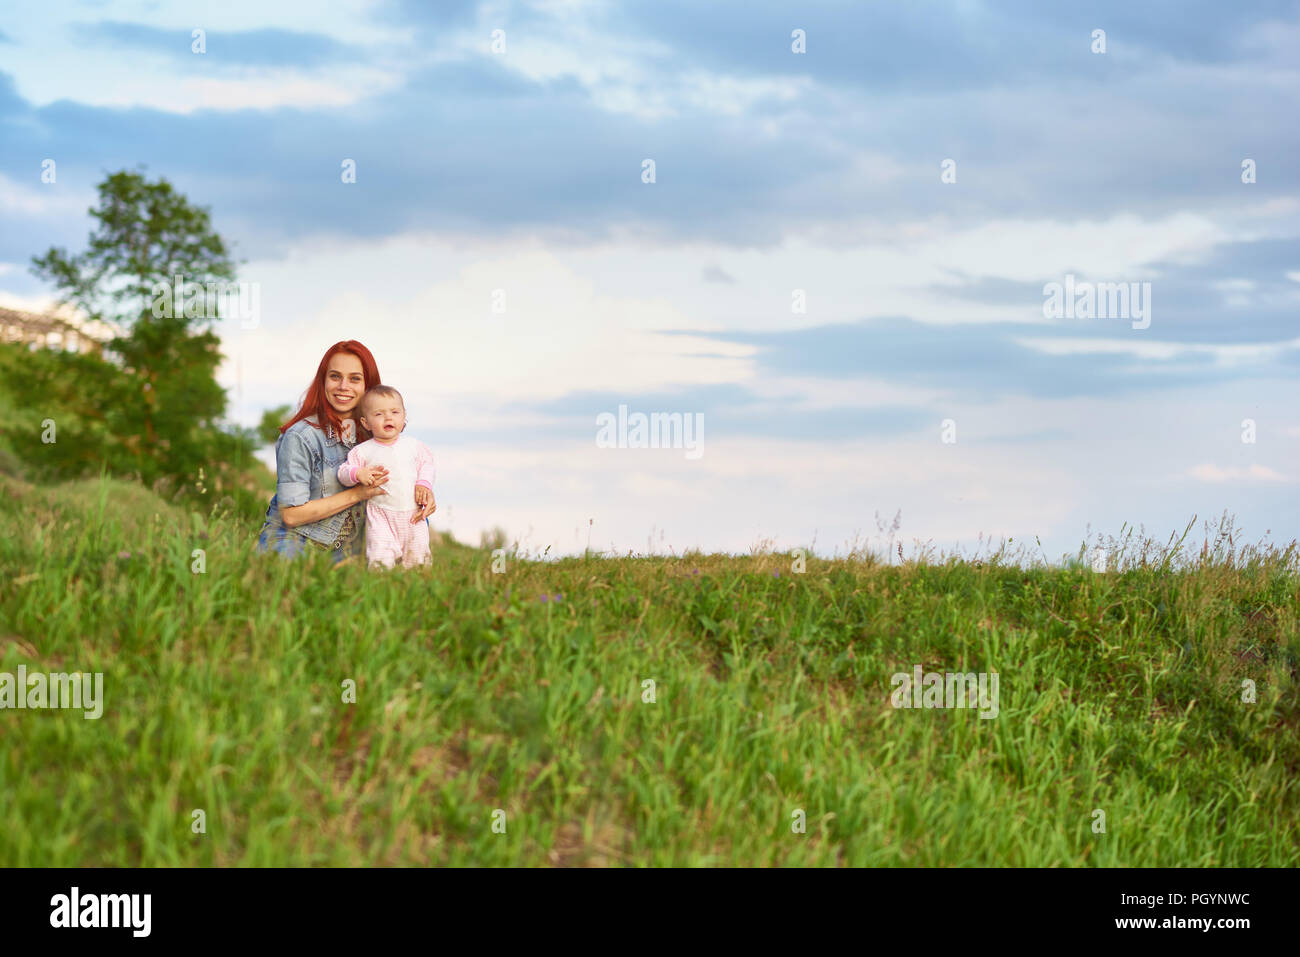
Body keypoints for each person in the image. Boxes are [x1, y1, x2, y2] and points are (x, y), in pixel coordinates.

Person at [255, 342, 434, 561]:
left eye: (355, 378)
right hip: (295, 542)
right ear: (323, 382)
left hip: (347, 551)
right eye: (335, 377)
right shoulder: (301, 436)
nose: (343, 386)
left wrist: (423, 493)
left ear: (368, 385)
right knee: (295, 585)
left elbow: (404, 484)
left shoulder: (378, 436)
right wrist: (358, 493)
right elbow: (291, 515)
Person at [337, 385, 437, 568]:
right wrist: (358, 473)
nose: (388, 417)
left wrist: (424, 484)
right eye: (379, 414)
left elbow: (427, 464)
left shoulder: (413, 446)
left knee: (418, 560)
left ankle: (416, 590)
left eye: (395, 412)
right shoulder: (363, 451)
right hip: (381, 516)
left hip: (413, 514)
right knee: (380, 558)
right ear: (366, 423)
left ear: (403, 416)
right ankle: (380, 588)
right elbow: (343, 473)